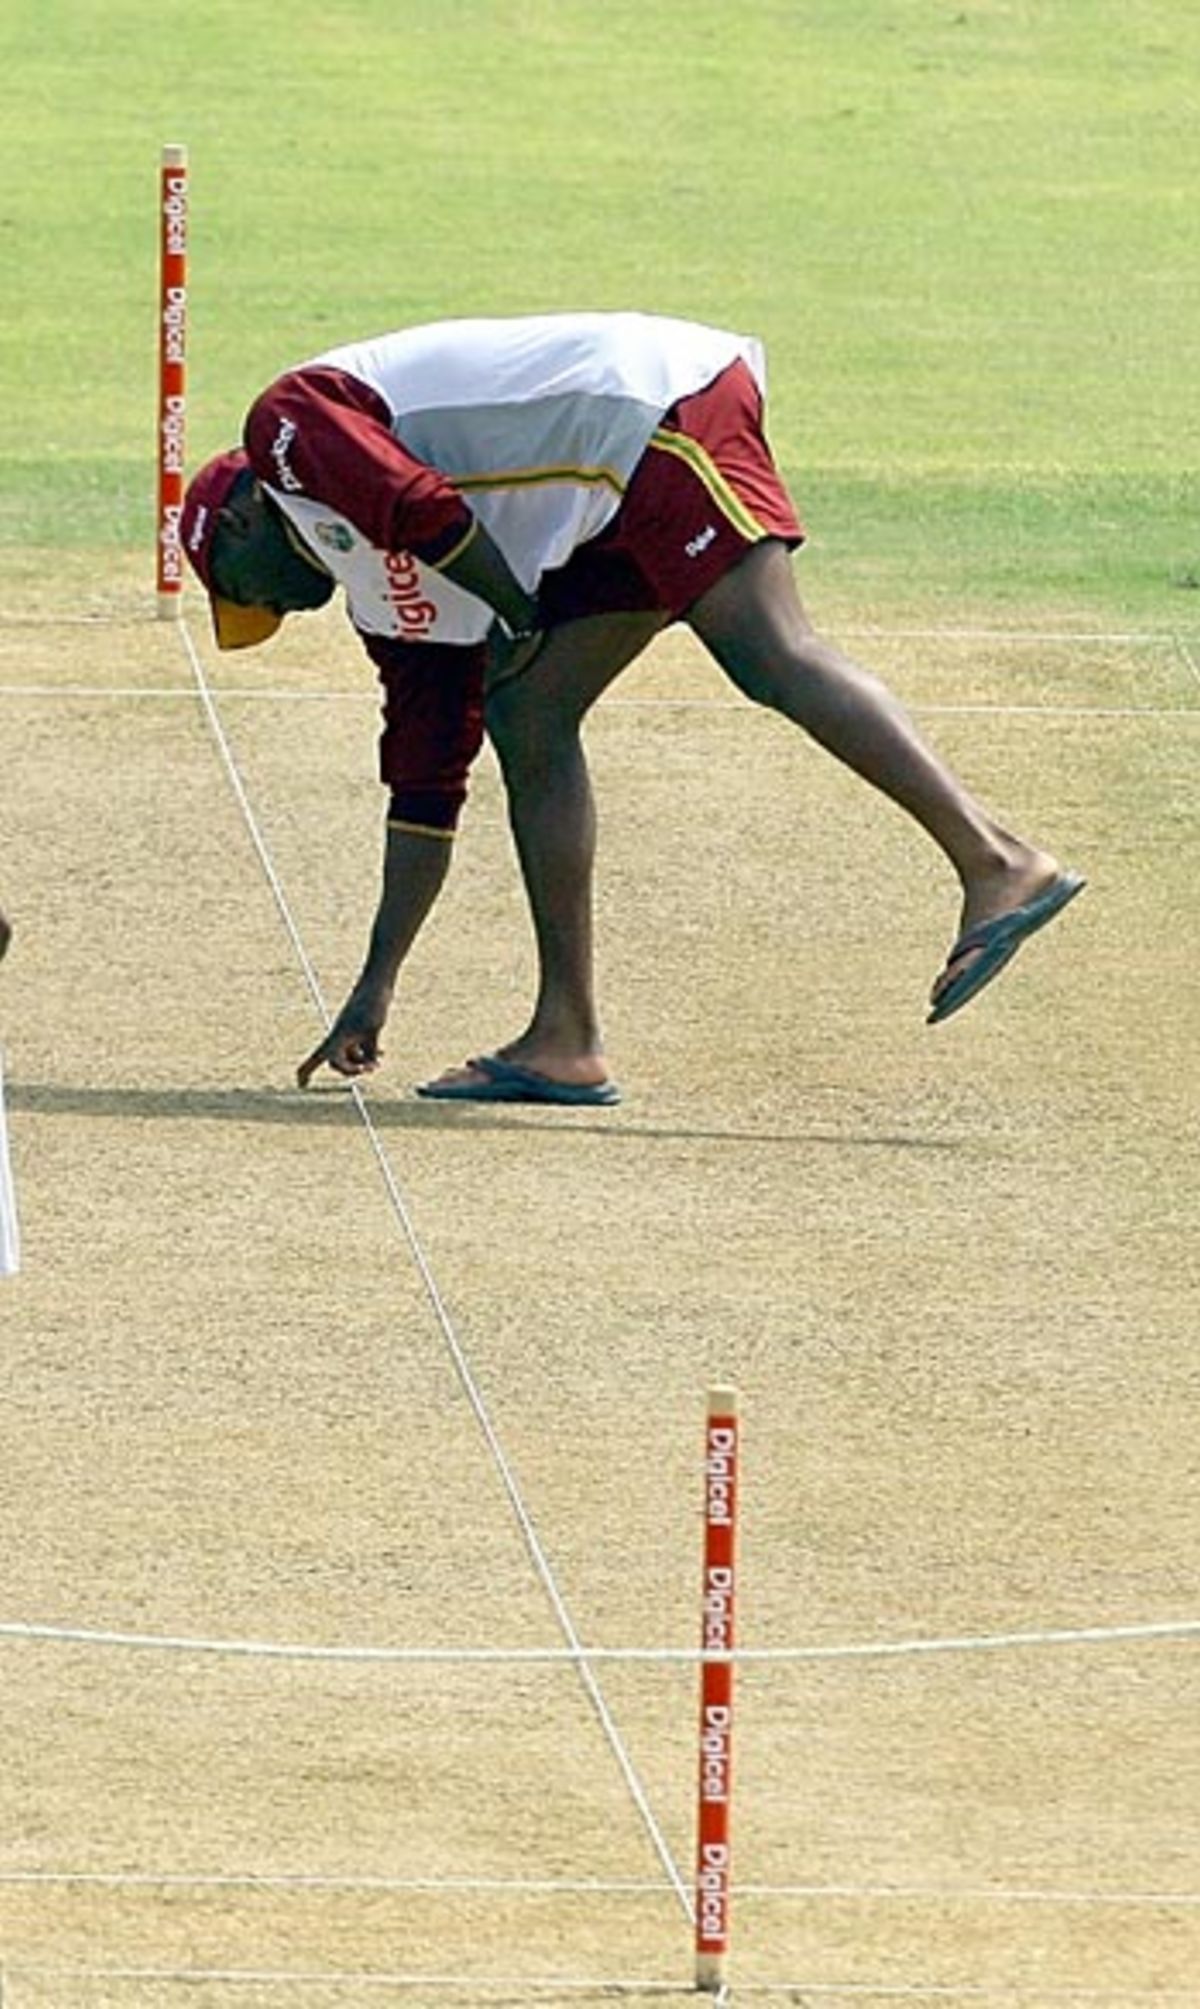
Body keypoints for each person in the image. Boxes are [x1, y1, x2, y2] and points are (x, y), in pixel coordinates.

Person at [180, 310, 1084, 1104]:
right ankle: (565, 1038)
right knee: (528, 713)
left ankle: (997, 859)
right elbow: (424, 785)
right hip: (603, 492)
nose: (275, 612)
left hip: (654, 407)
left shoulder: (286, 427)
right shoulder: (376, 598)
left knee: (770, 653)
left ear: (243, 523)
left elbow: (426, 507)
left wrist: (519, 610)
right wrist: (376, 987)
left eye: (242, 589)